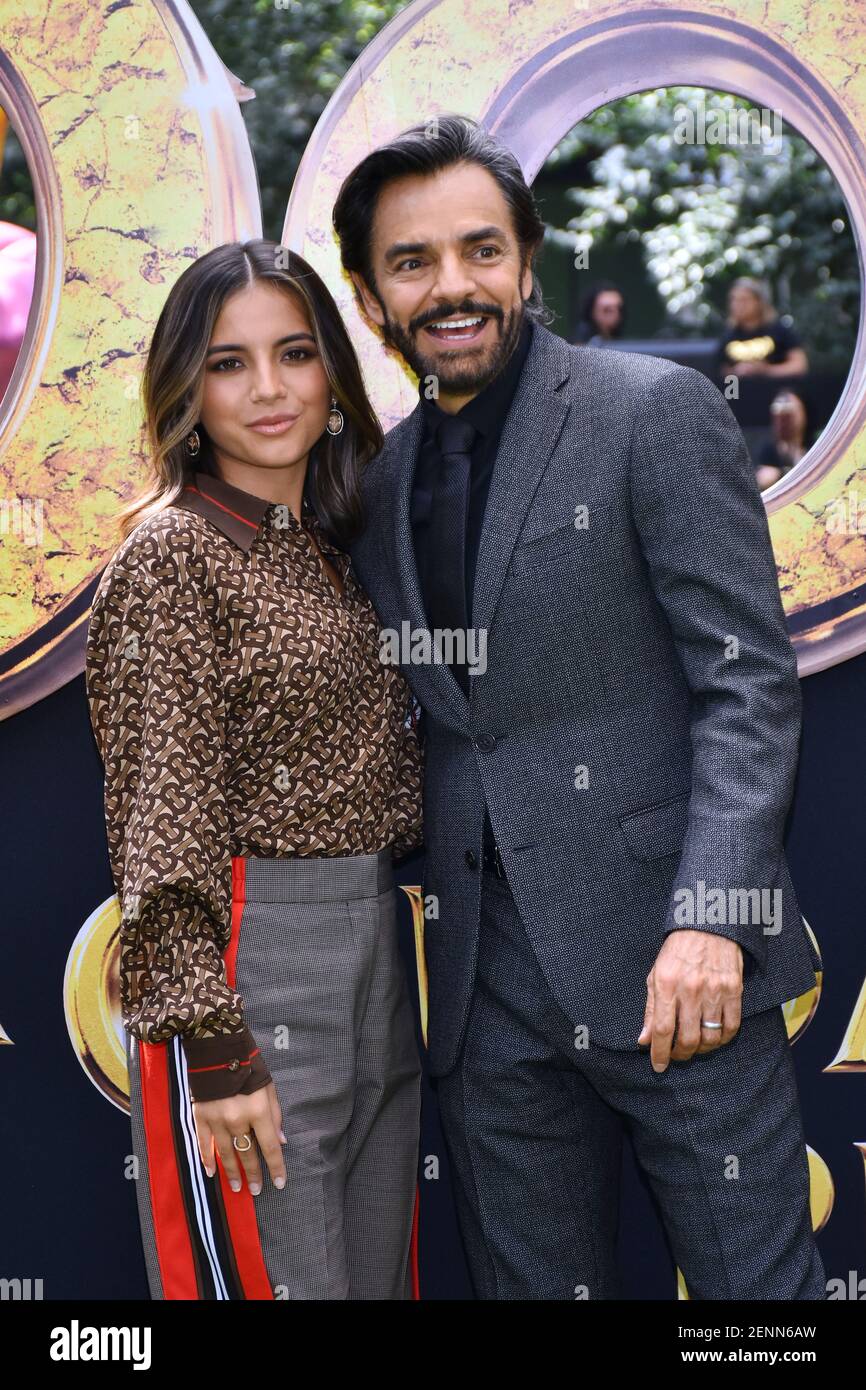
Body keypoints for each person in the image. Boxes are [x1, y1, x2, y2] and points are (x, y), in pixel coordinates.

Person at [332, 115, 826, 1300]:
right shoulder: (380, 481)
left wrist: (710, 917)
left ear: (526, 258)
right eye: (412, 263)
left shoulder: (648, 412)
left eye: (479, 249)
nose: (452, 286)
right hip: (482, 996)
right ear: (368, 295)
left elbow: (745, 679)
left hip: (675, 960)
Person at [84, 239, 423, 1300]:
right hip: (249, 967)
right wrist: (216, 1047)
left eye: (294, 353)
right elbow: (162, 816)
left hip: (381, 950)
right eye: (229, 363)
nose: (269, 389)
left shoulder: (325, 542)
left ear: (333, 373)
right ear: (186, 385)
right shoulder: (172, 555)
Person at [716, 277, 808, 380]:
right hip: (740, 394)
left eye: (744, 300)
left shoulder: (779, 331)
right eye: (733, 299)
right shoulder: (728, 336)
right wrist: (737, 372)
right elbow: (720, 372)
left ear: (759, 302)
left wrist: (766, 370)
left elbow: (799, 366)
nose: (737, 305)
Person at [755, 389, 813, 489]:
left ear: (803, 413)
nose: (783, 421)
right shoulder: (768, 449)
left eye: (788, 415)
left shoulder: (815, 446)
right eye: (778, 416)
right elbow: (763, 478)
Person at [574, 281, 625, 345]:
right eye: (607, 309)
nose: (615, 314)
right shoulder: (578, 345)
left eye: (619, 308)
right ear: (592, 311)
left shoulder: (621, 342)